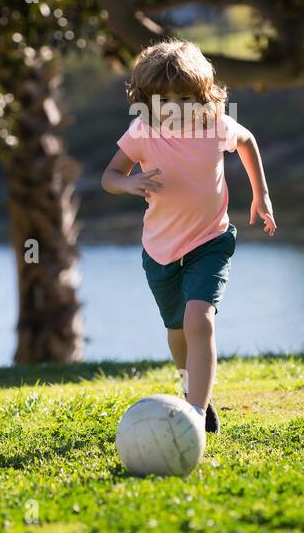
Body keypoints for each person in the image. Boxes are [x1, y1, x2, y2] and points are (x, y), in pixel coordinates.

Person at [101, 39, 276, 434]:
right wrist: (128, 185)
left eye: (184, 98)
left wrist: (260, 196)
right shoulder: (142, 132)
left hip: (210, 241)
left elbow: (246, 141)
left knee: (200, 319)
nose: (174, 108)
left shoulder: (214, 124)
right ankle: (191, 388)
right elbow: (109, 176)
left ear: (201, 96)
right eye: (164, 100)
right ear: (146, 100)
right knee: (177, 329)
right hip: (160, 250)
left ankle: (196, 414)